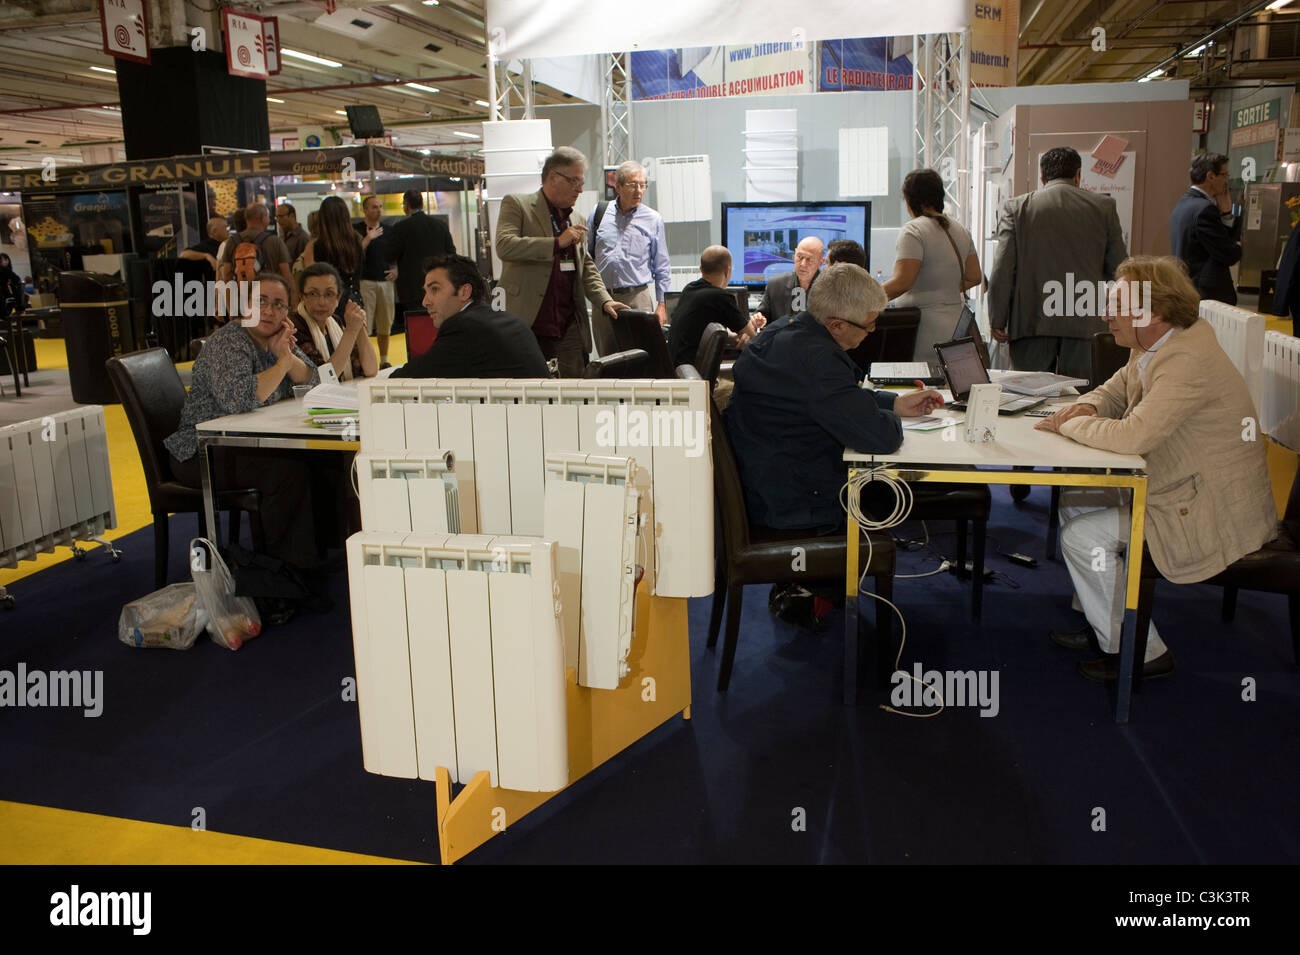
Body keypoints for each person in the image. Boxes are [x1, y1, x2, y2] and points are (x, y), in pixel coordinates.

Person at [1035, 256, 1277, 682]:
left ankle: (1141, 652)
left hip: (1212, 508)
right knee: (1078, 495)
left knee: (1080, 535)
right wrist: (1086, 405)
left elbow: (1134, 436)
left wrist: (1069, 422)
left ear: (1156, 311)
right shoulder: (1158, 343)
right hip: (1186, 485)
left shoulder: (1186, 361)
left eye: (1117, 304)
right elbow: (1116, 388)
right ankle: (1104, 621)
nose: (1106, 313)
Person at [727, 263, 943, 629]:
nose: (873, 331)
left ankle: (809, 584)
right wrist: (889, 418)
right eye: (870, 324)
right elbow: (881, 437)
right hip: (792, 504)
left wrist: (892, 403)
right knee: (885, 496)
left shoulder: (788, 329)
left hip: (765, 482)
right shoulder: (819, 359)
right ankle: (818, 588)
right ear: (837, 325)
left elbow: (839, 398)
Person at [163, 272, 324, 571]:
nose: (269, 311)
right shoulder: (229, 341)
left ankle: (323, 553)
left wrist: (286, 356)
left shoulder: (275, 339)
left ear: (286, 313)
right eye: (260, 301)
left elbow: (313, 380)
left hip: (242, 443)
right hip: (200, 452)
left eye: (278, 304)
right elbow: (239, 399)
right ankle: (285, 574)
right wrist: (283, 363)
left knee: (322, 459)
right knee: (288, 472)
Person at [987, 146, 1127, 379]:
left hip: (1031, 323)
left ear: (1042, 178)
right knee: (1082, 399)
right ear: (1078, 175)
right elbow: (1120, 269)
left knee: (1029, 401)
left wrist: (997, 319)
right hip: (1085, 323)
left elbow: (1002, 269)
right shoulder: (1104, 207)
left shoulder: (1017, 208)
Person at [496, 146, 626, 377]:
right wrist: (556, 242)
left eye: (581, 182)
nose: (580, 189)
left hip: (568, 326)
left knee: (573, 391)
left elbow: (586, 267)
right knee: (529, 391)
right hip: (528, 322)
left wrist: (605, 301)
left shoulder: (576, 218)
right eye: (574, 181)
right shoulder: (517, 204)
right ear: (554, 177)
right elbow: (505, 245)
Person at [391, 254, 548, 379]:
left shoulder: (464, 327)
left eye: (435, 290)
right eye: (426, 292)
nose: (425, 302)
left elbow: (412, 375)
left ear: (464, 292)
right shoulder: (509, 320)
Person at [882, 169, 982, 360]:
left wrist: (865, 298)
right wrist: (944, 287)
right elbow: (974, 276)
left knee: (924, 384)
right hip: (957, 325)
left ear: (910, 199)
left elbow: (903, 282)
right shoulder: (960, 229)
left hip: (924, 329)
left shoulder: (913, 230)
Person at [587, 160, 671, 336]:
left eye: (643, 185)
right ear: (618, 186)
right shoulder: (599, 212)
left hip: (637, 298)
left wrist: (662, 304)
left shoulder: (653, 219)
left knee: (640, 356)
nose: (639, 191)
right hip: (604, 298)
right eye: (633, 185)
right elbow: (588, 256)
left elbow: (662, 265)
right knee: (607, 357)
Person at [667, 245, 761, 368]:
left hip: (676, 370)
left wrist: (735, 337)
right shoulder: (720, 297)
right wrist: (746, 334)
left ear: (701, 269)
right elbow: (753, 337)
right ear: (727, 270)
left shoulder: (689, 289)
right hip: (694, 376)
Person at [1170, 153, 1241, 305]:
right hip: (1206, 295)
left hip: (1187, 287)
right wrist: (1228, 215)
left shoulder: (1184, 203)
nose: (1226, 180)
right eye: (1224, 174)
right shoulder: (1205, 210)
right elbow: (1229, 254)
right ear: (1210, 176)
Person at [291, 262, 378, 381]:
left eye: (329, 294)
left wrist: (359, 326)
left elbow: (371, 370)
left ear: (338, 298)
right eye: (313, 294)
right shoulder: (294, 325)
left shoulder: (335, 322)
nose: (321, 302)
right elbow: (323, 378)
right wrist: (351, 331)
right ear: (302, 296)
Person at [385, 189, 455, 332]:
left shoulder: (401, 228)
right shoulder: (440, 225)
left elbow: (389, 255)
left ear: (406, 205)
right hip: (439, 285)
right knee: (438, 325)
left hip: (410, 289)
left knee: (417, 330)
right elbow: (451, 254)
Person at [218, 202, 296, 307]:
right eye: (268, 217)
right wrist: (293, 304)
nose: (269, 220)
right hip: (269, 303)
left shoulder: (232, 242)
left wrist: (230, 308)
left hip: (242, 304)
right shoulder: (274, 241)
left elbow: (226, 276)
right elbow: (287, 275)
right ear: (262, 217)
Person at [301, 195, 365, 312]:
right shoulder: (356, 240)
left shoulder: (318, 245)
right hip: (354, 299)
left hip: (330, 300)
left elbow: (310, 274)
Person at [355, 195, 396, 369]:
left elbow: (396, 255)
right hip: (366, 282)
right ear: (365, 210)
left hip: (385, 283)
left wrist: (396, 269)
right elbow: (354, 254)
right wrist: (368, 238)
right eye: (374, 207)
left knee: (385, 322)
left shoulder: (389, 230)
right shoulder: (356, 230)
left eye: (380, 206)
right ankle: (365, 359)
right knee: (366, 323)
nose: (378, 210)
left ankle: (384, 359)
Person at [753, 235, 824, 326]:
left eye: (809, 259)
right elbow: (762, 315)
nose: (803, 264)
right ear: (794, 255)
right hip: (781, 339)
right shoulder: (776, 284)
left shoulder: (830, 288)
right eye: (800, 256)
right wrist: (758, 319)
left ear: (820, 262)